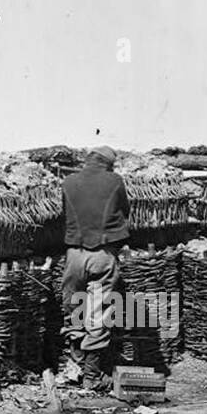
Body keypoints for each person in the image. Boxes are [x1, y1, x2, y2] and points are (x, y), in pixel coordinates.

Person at [61, 146, 130, 391]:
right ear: (109, 164)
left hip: (74, 255)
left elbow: (64, 214)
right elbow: (124, 211)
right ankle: (92, 376)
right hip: (102, 253)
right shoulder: (114, 181)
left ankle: (76, 366)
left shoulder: (68, 182)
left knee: (74, 308)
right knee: (98, 314)